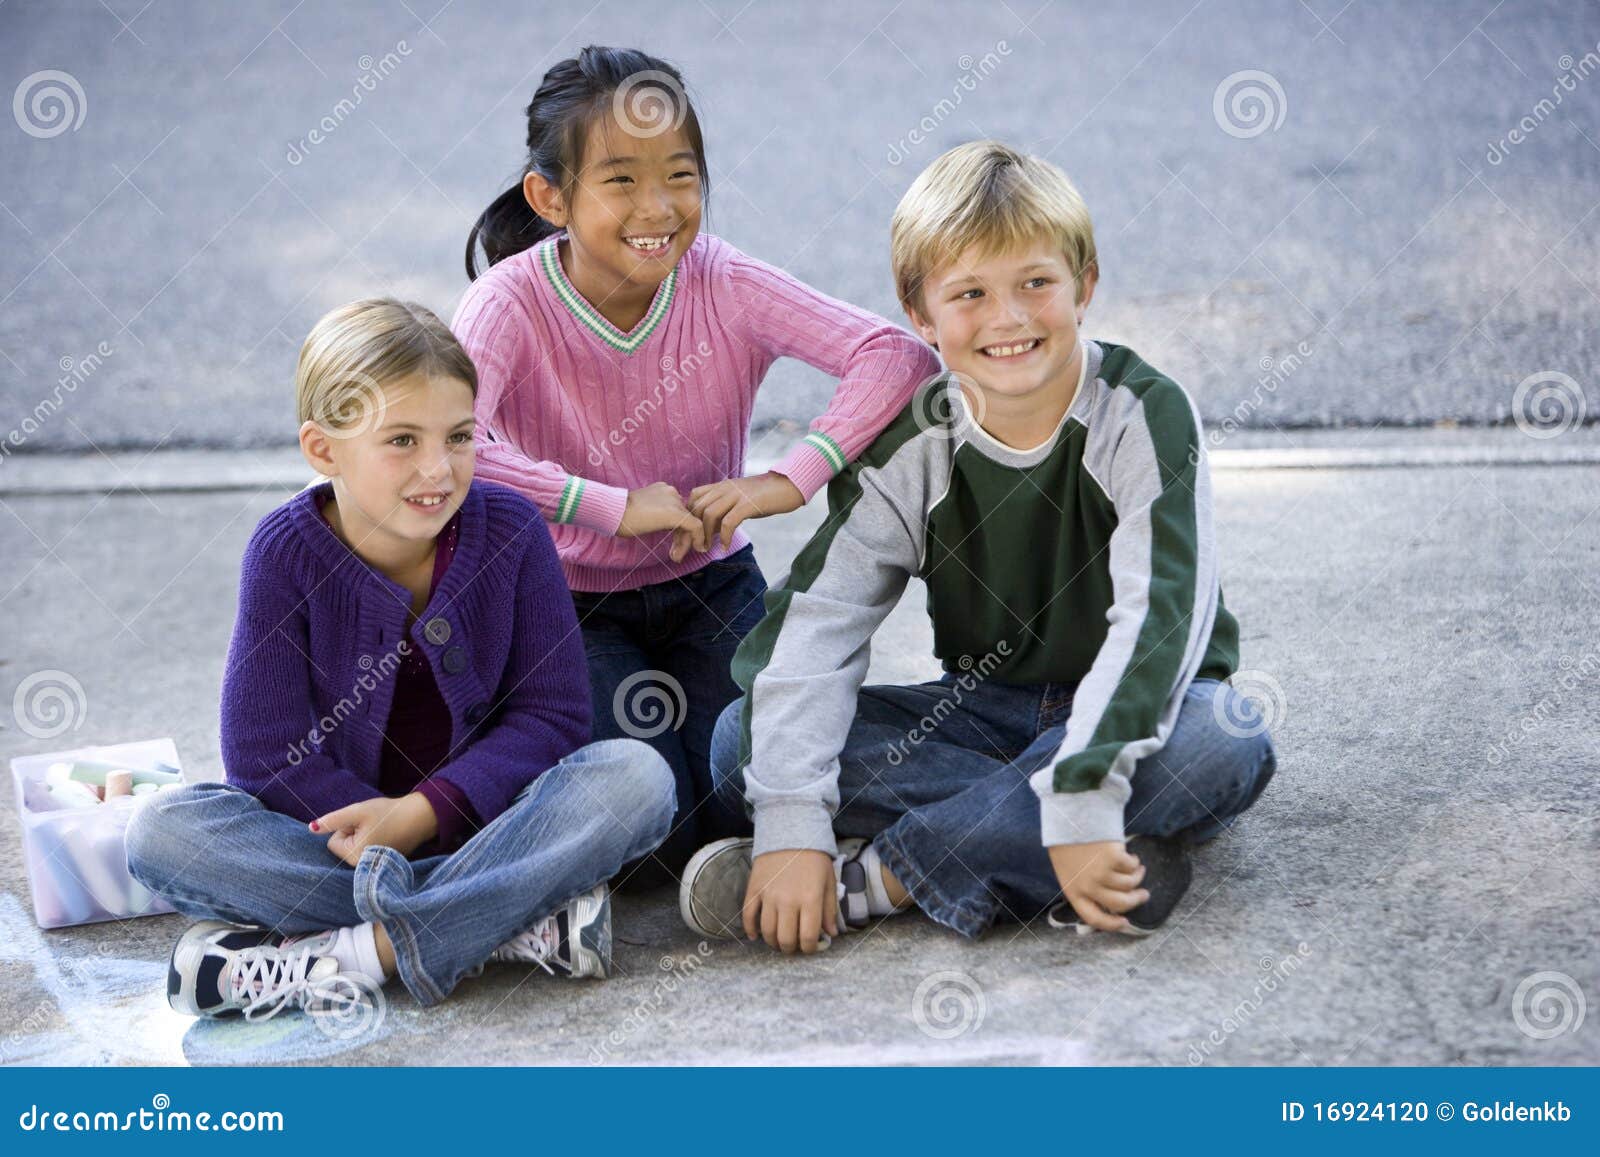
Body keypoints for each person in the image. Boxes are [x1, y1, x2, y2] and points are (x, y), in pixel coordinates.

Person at [679, 141, 1277, 954]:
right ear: (920, 314)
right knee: (738, 741)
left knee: (1227, 738)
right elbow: (820, 621)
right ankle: (1075, 846)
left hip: (1155, 708)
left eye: (1037, 282)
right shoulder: (913, 443)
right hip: (985, 711)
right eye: (969, 293)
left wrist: (1082, 783)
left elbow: (1158, 625)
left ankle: (885, 877)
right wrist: (790, 826)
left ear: (1085, 283)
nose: (1009, 317)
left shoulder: (1144, 413)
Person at [453, 46, 941, 881]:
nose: (660, 206)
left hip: (711, 584)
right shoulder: (507, 303)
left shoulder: (719, 280)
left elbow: (896, 353)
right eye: (620, 181)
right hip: (569, 601)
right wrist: (604, 503)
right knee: (651, 820)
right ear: (551, 197)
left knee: (752, 777)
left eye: (681, 175)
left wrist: (792, 474)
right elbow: (451, 443)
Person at [126, 298, 675, 1020]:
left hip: (493, 827)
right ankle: (501, 922)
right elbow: (263, 757)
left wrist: (421, 813)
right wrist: (376, 829)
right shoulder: (284, 552)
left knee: (636, 778)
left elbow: (554, 715)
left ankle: (358, 954)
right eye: (402, 441)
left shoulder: (511, 528)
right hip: (340, 848)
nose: (437, 469)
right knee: (162, 832)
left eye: (457, 437)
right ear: (324, 450)